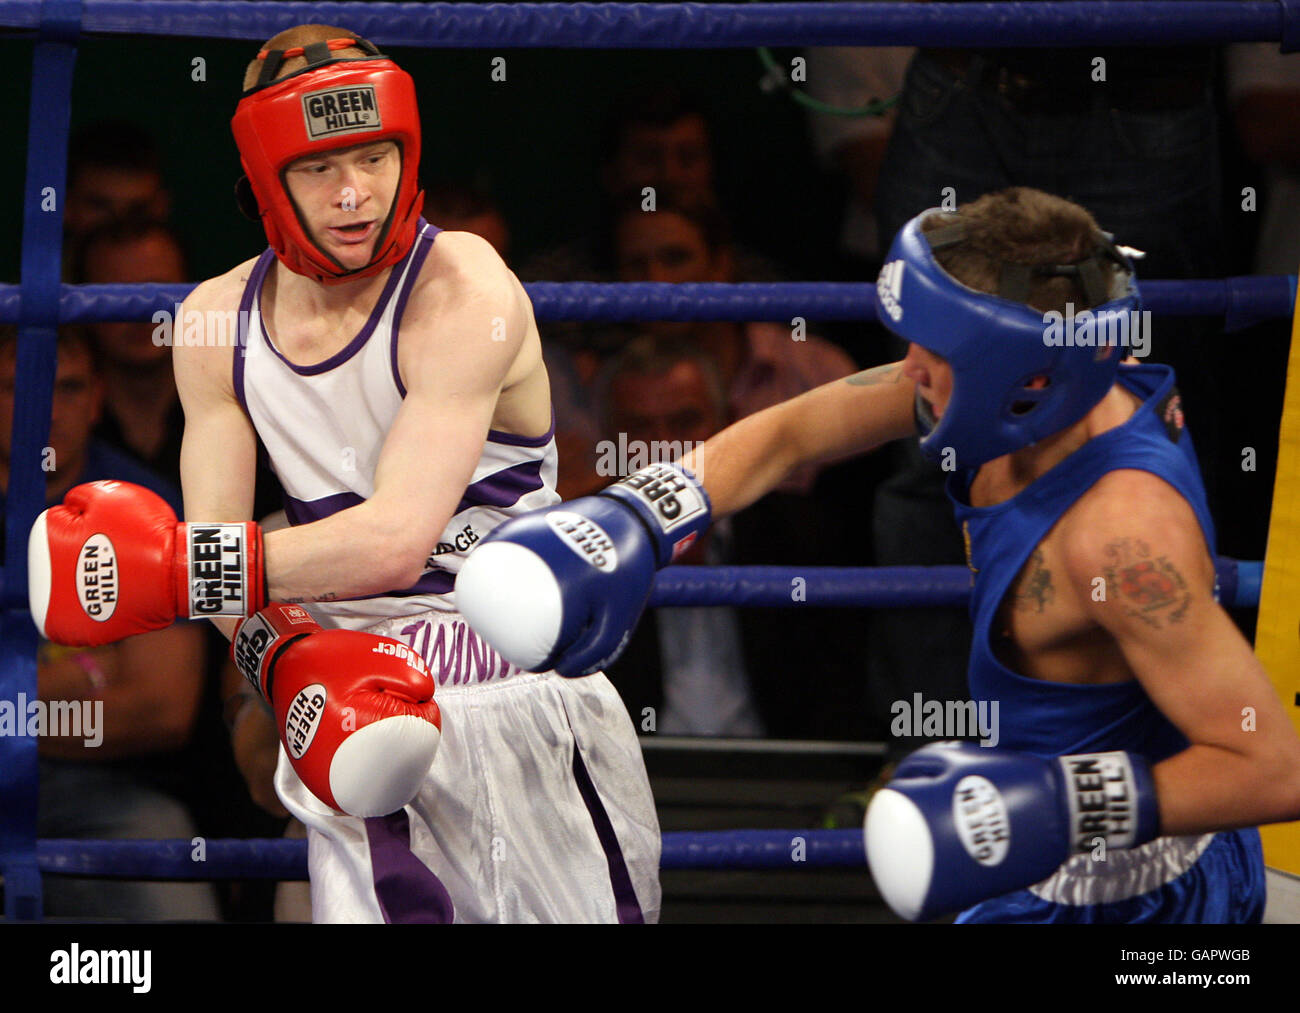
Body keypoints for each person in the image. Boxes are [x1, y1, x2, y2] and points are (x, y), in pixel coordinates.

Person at [458, 188, 1300, 923]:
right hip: (1026, 853)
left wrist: (1060, 802)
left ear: (1024, 376)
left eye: (940, 356)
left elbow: (1270, 765)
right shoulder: (1026, 381)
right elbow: (792, 430)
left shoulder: (1122, 538)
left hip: (1146, 897)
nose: (912, 371)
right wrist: (641, 511)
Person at [29, 24, 659, 923]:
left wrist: (171, 570)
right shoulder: (214, 322)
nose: (355, 193)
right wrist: (283, 657)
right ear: (264, 180)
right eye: (320, 168)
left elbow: (396, 539)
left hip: (515, 697)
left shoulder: (464, 286)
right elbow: (223, 573)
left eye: (374, 156)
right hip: (345, 706)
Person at [1, 326, 215, 920]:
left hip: (97, 789)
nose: (45, 411)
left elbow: (161, 709)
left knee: (162, 851)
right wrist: (93, 674)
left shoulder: (148, 503)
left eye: (67, 388)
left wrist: (7, 709)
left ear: (96, 399)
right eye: (18, 388)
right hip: (77, 752)